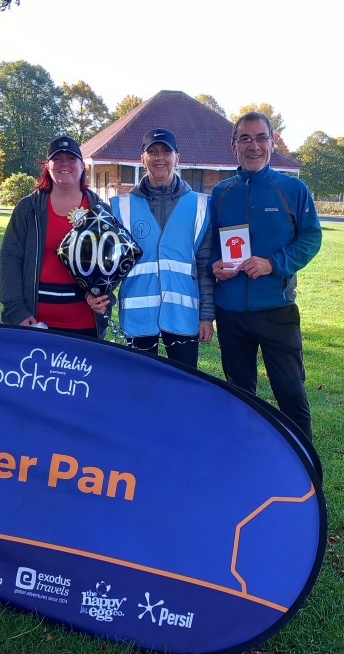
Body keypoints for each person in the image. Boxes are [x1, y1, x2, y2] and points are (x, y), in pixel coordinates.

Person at [209, 111, 322, 440]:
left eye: (261, 138)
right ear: (234, 146)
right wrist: (215, 265)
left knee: (290, 392)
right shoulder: (220, 193)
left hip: (276, 309)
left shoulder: (292, 188)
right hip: (230, 313)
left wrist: (274, 264)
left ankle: (304, 465)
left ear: (272, 143)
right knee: (240, 395)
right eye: (245, 138)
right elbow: (209, 244)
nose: (253, 145)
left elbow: (311, 237)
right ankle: (246, 456)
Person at [87, 128, 214, 367]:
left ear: (178, 157)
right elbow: (109, 266)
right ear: (142, 159)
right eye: (152, 152)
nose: (159, 158)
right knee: (140, 388)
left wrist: (207, 315)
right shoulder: (119, 207)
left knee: (184, 386)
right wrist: (97, 294)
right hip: (137, 315)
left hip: (183, 315)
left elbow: (205, 266)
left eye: (166, 151)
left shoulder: (201, 205)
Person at [0, 135, 109, 337]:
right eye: (57, 158)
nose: (64, 163)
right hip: (34, 322)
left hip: (84, 323)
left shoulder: (101, 211)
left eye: (71, 158)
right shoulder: (28, 209)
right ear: (47, 166)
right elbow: (9, 260)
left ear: (82, 166)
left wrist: (102, 297)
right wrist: (16, 311)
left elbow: (112, 264)